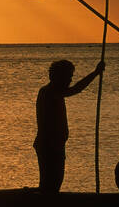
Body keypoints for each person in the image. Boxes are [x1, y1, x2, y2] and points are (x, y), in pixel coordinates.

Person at [33, 58, 104, 193]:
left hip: (55, 146)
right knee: (50, 186)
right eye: (68, 76)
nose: (70, 80)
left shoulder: (53, 92)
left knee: (52, 185)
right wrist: (95, 73)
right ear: (58, 76)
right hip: (49, 147)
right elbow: (75, 90)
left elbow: (73, 89)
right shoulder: (49, 92)